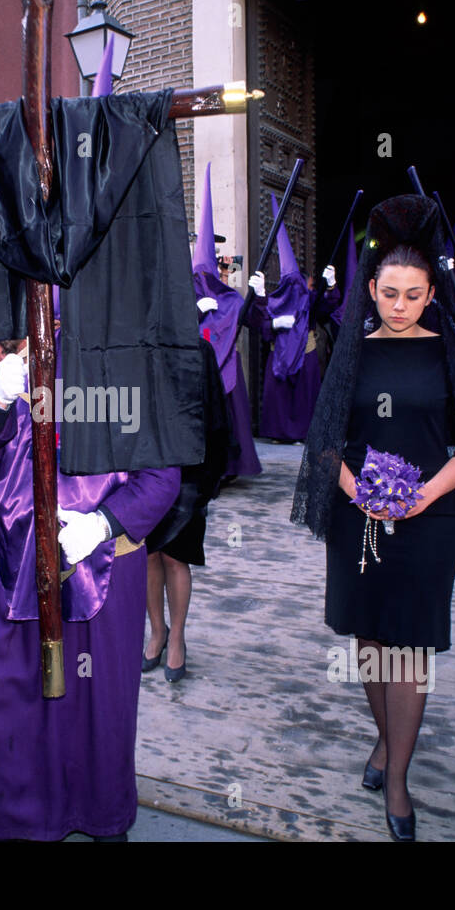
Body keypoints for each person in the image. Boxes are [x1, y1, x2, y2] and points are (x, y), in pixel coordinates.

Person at [291, 195, 455, 842]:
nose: (399, 306)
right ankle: (384, 741)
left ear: (433, 292)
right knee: (371, 641)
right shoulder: (350, 353)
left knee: (409, 648)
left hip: (427, 524)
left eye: (413, 294)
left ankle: (397, 779)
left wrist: (423, 496)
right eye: (388, 293)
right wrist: (361, 493)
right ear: (370, 289)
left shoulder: (450, 354)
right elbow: (324, 441)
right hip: (361, 521)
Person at [0, 353, 179, 840]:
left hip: (108, 568)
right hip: (23, 569)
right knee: (18, 694)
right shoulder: (27, 372)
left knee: (101, 701)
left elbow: (163, 478)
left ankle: (100, 812)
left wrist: (104, 523)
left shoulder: (135, 374)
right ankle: (20, 816)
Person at [144, 335, 229, 683]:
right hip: (145, 463)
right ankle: (157, 632)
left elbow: (216, 414)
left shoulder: (198, 348)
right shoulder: (137, 345)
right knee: (148, 555)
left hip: (190, 466)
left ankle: (176, 636)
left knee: (176, 555)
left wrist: (211, 472)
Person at [192, 164, 261, 479]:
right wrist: (195, 311)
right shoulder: (188, 287)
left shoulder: (228, 286)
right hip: (200, 364)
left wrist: (254, 298)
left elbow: (249, 318)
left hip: (227, 363)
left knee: (231, 416)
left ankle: (231, 466)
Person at [246, 194, 324, 443]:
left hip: (306, 352)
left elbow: (326, 308)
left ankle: (303, 433)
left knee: (304, 396)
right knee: (278, 396)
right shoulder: (274, 301)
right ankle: (279, 433)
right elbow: (254, 321)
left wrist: (331, 288)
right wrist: (267, 312)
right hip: (278, 354)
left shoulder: (308, 301)